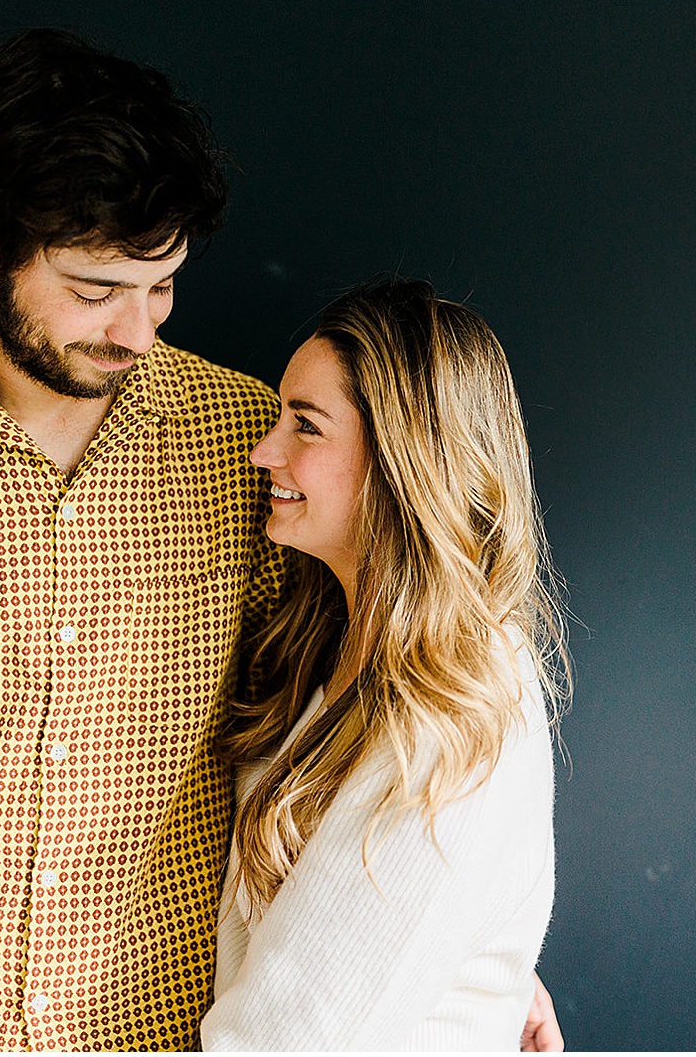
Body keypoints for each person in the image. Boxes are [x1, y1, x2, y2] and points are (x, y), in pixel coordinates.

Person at [0, 29, 565, 1052]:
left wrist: (455, 952)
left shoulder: (254, 445)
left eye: (163, 285)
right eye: (96, 289)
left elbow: (371, 700)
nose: (138, 329)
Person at [200, 278, 569, 1049]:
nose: (265, 451)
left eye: (305, 425)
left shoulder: (457, 705)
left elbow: (288, 1042)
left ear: (406, 459)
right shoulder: (337, 644)